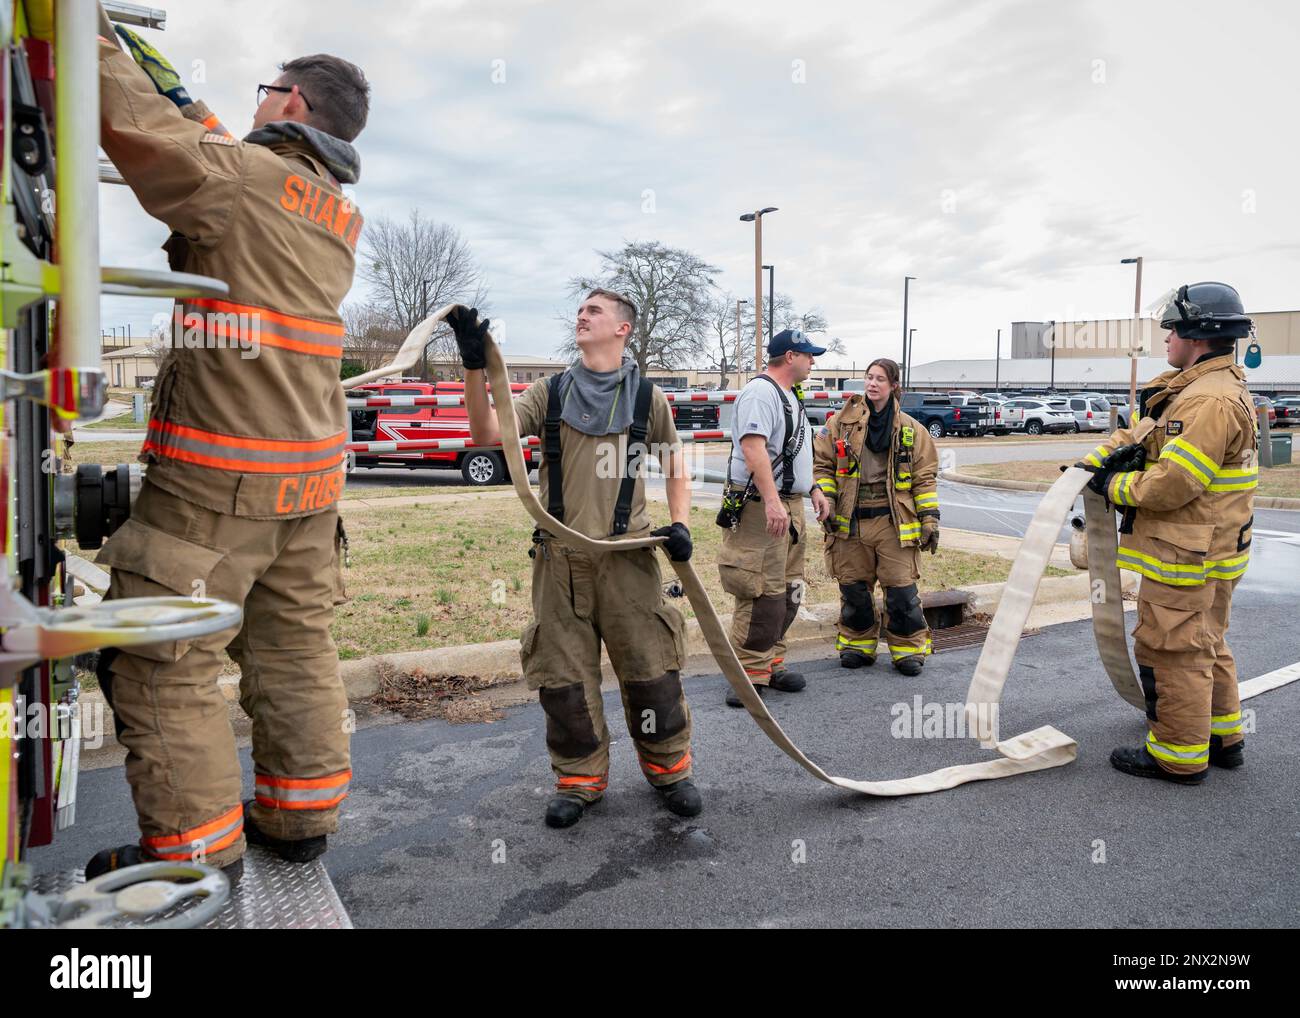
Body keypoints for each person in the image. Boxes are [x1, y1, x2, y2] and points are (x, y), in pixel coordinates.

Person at [88, 20, 370, 882]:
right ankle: (301, 813)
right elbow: (225, 156)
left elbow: (133, 118)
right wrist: (222, 127)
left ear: (289, 101)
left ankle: (193, 853)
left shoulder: (243, 181)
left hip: (217, 483)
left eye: (264, 89)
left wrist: (78, 25)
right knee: (293, 647)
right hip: (311, 486)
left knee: (159, 657)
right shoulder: (334, 209)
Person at [452, 292, 701, 829]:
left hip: (629, 560)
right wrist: (475, 367)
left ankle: (670, 770)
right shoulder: (551, 392)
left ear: (623, 329)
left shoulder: (646, 399)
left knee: (652, 671)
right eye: (580, 310)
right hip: (559, 561)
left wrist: (680, 524)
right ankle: (579, 779)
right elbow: (487, 435)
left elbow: (677, 465)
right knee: (563, 679)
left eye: (595, 311)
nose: (582, 316)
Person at [1077, 282, 1257, 784]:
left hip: (1188, 554)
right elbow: (1139, 432)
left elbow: (1174, 483)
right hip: (1213, 548)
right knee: (1206, 641)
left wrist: (1114, 486)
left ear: (1196, 334)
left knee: (1171, 648)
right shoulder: (1197, 389)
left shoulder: (1207, 402)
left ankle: (1177, 755)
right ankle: (1222, 738)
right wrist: (1084, 467)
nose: (1166, 339)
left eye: (1172, 329)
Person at [717, 329, 832, 708]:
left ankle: (771, 663)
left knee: (787, 590)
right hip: (760, 506)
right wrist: (770, 501)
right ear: (789, 357)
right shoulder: (761, 393)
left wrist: (812, 487)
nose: (813, 361)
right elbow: (753, 448)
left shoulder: (790, 396)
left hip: (789, 504)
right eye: (808, 355)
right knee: (760, 590)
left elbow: (793, 452)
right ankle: (748, 675)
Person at [812, 358, 939, 676]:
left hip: (893, 522)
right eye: (869, 377)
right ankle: (857, 645)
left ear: (894, 386)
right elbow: (823, 465)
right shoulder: (840, 425)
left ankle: (908, 650)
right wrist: (827, 499)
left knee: (901, 593)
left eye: (880, 379)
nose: (872, 383)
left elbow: (924, 478)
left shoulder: (911, 430)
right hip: (851, 520)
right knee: (854, 590)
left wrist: (929, 519)